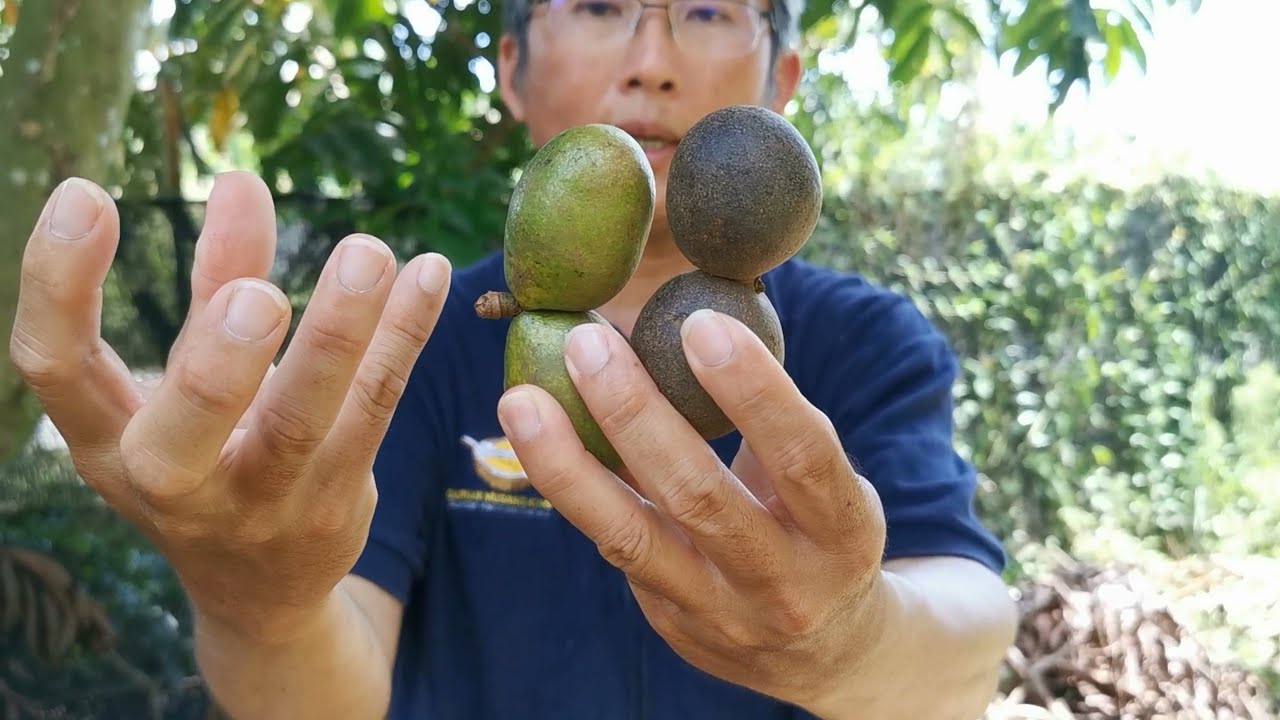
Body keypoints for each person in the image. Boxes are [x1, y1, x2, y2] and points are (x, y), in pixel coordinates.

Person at [9, 0, 1018, 717]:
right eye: (597, 5)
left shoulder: (863, 346)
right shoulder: (414, 343)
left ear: (781, 81)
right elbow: (330, 692)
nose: (651, 61)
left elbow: (969, 644)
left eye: (708, 11)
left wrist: (850, 644)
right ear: (511, 68)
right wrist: (254, 606)